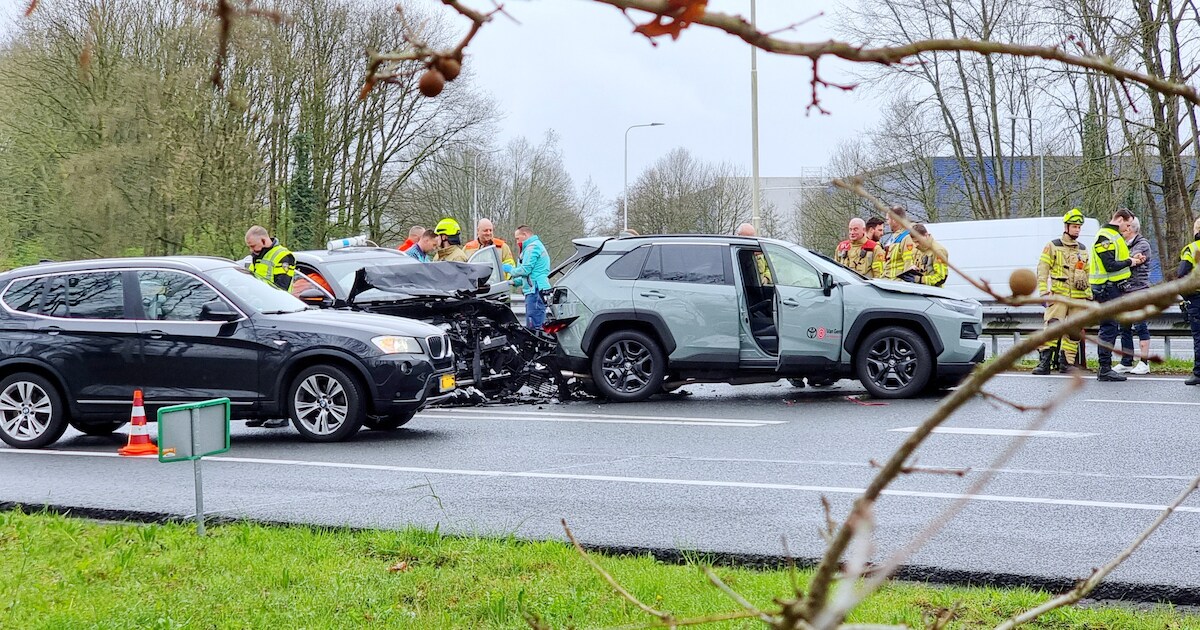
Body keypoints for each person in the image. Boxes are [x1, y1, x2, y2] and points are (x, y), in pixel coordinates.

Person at [1088, 207, 1146, 381]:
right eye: (1127, 224)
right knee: (1109, 327)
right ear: (1120, 219)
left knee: (1111, 327)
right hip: (1106, 289)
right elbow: (1110, 265)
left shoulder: (1114, 236)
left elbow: (1117, 261)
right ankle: (1104, 368)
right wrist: (1130, 261)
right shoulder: (1104, 236)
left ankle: (1105, 367)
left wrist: (1133, 260)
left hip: (1113, 288)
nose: (1128, 229)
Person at [1032, 208, 1092, 375]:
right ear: (1066, 227)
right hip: (1058, 294)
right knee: (1053, 327)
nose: (1077, 230)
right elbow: (1042, 269)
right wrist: (1043, 291)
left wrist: (1088, 294)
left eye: (1079, 227)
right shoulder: (1052, 246)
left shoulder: (1082, 249)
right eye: (1074, 227)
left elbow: (1087, 272)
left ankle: (1066, 363)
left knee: (1074, 332)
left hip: (1079, 297)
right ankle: (1044, 363)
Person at [1115, 216, 1153, 375]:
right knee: (1124, 327)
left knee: (1140, 326)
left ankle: (1144, 362)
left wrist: (1131, 259)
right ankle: (1126, 361)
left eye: (1123, 227)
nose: (1120, 231)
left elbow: (1128, 260)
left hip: (1138, 291)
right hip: (1124, 291)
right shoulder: (1124, 244)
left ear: (1129, 228)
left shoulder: (1142, 244)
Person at [505, 225, 552, 329]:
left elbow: (526, 270)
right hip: (537, 289)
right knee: (536, 322)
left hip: (535, 291)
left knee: (533, 325)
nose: (517, 242)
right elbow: (531, 275)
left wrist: (511, 270)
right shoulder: (535, 246)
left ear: (524, 235)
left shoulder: (532, 247)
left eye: (518, 238)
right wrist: (513, 282)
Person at [1179, 216, 1200, 386]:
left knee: (1199, 337)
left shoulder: (1191, 249)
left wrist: (1186, 296)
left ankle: (1198, 372)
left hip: (1197, 298)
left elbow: (1182, 274)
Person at [245, 225, 295, 291]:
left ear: (263, 240)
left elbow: (281, 288)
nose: (251, 250)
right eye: (249, 247)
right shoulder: (257, 256)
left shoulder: (283, 256)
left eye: (253, 246)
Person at [880, 206, 918, 281]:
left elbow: (909, 265)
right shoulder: (894, 237)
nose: (887, 223)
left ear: (894, 220)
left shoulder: (907, 237)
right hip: (889, 282)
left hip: (897, 284)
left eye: (888, 219)